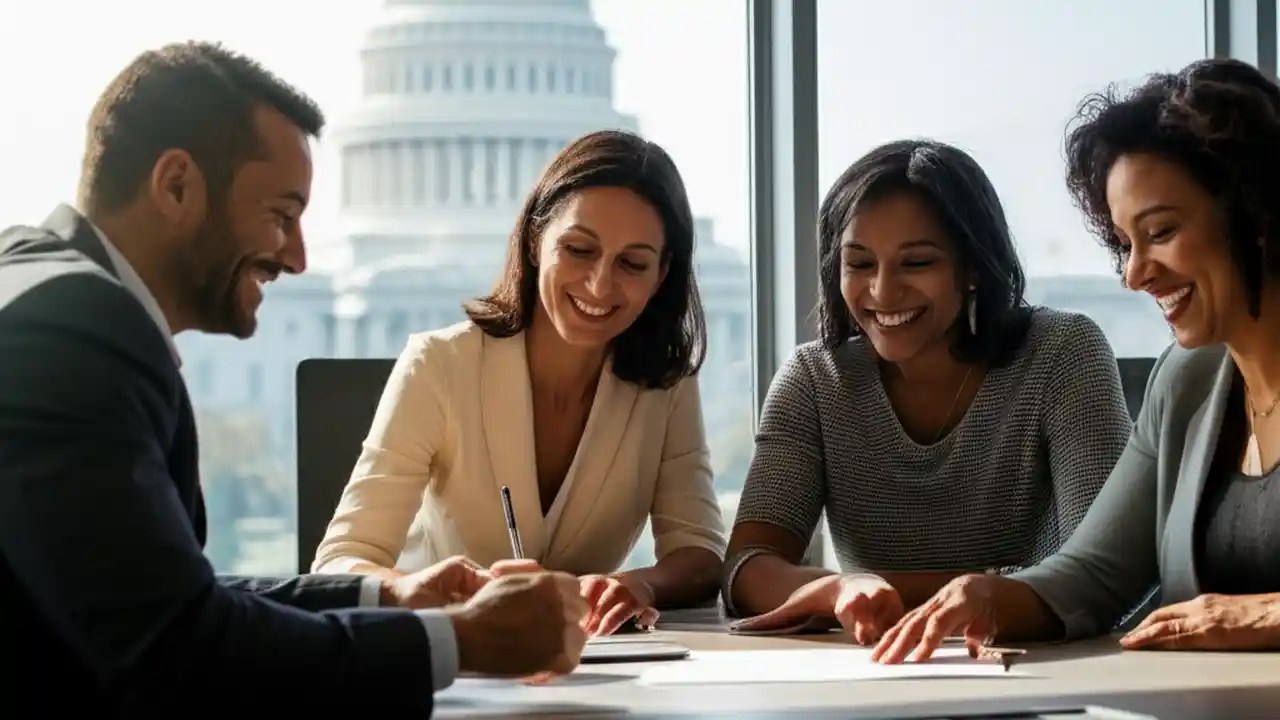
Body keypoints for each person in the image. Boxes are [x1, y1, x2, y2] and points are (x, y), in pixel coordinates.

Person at [0, 42, 588, 715]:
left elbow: (158, 596)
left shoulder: (40, 286)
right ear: (176, 186)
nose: (300, 258)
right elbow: (176, 649)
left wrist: (388, 596)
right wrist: (466, 640)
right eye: (281, 215)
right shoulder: (72, 329)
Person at [873, 58, 1280, 665]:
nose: (1135, 273)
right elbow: (1093, 574)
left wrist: (1268, 611)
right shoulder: (1187, 380)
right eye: (1123, 243)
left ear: (1256, 214)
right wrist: (985, 595)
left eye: (1160, 232)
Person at [312, 129, 727, 636]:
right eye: (578, 250)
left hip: (595, 668)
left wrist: (638, 585)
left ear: (661, 275)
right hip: (453, 658)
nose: (600, 285)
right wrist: (416, 589)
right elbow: (342, 558)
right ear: (535, 241)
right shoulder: (439, 364)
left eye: (632, 264)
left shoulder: (667, 386)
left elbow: (701, 555)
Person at [724, 139, 1132, 645]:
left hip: (1042, 664)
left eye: (917, 263)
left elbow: (1105, 574)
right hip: (881, 669)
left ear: (975, 268)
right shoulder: (815, 378)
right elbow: (744, 568)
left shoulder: (1062, 352)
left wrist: (894, 591)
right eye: (860, 264)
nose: (882, 292)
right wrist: (840, 588)